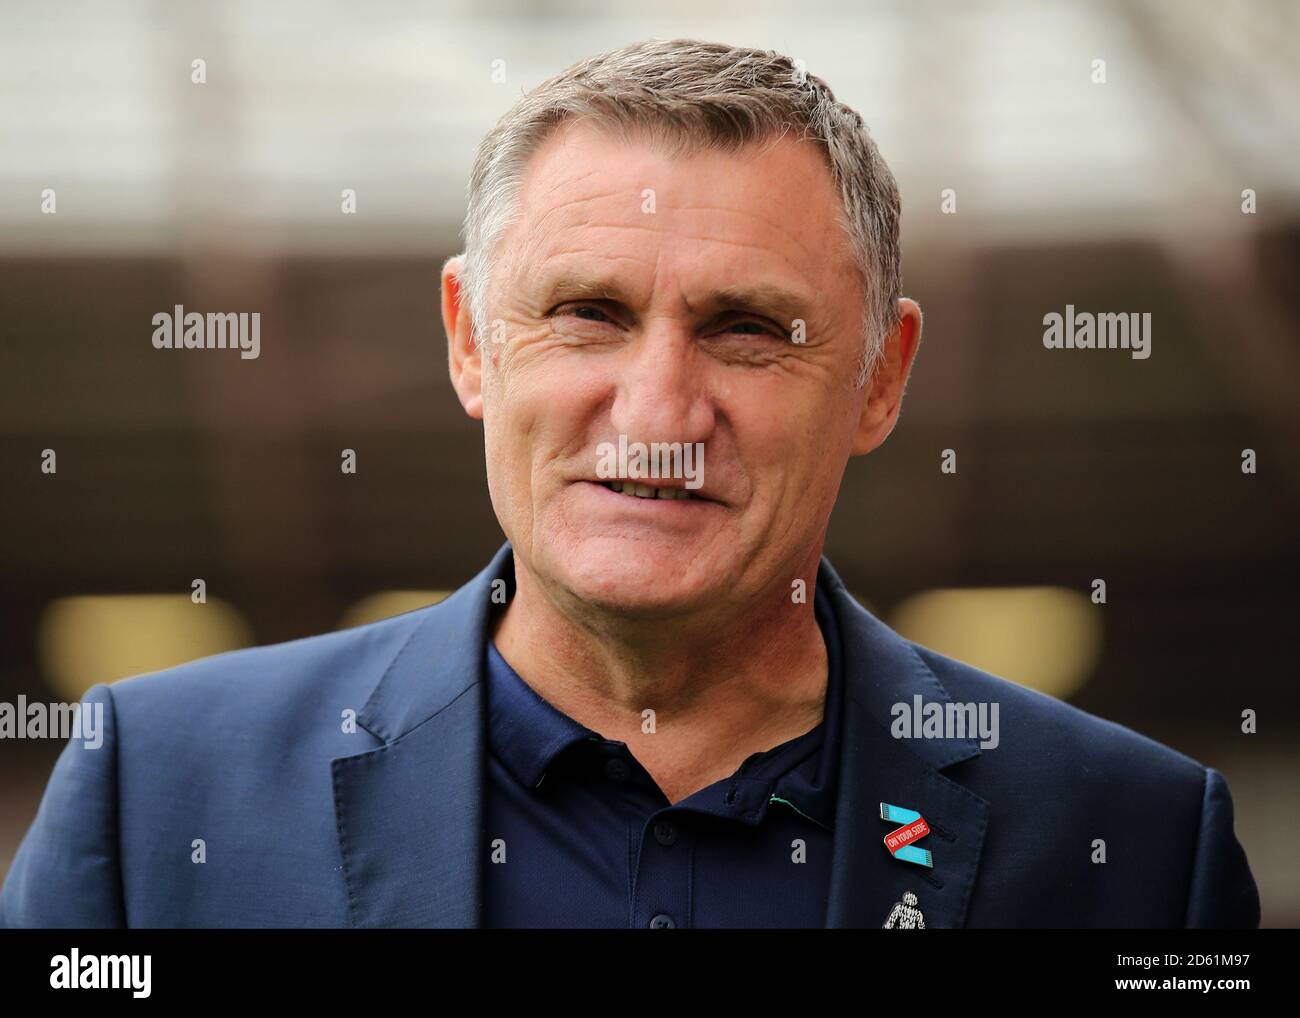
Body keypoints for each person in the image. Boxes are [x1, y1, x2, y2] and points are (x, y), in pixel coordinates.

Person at [1, 39, 1258, 929]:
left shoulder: (1135, 842)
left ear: (881, 378)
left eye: (748, 330)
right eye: (588, 313)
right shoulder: (156, 791)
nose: (658, 410)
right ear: (469, 341)